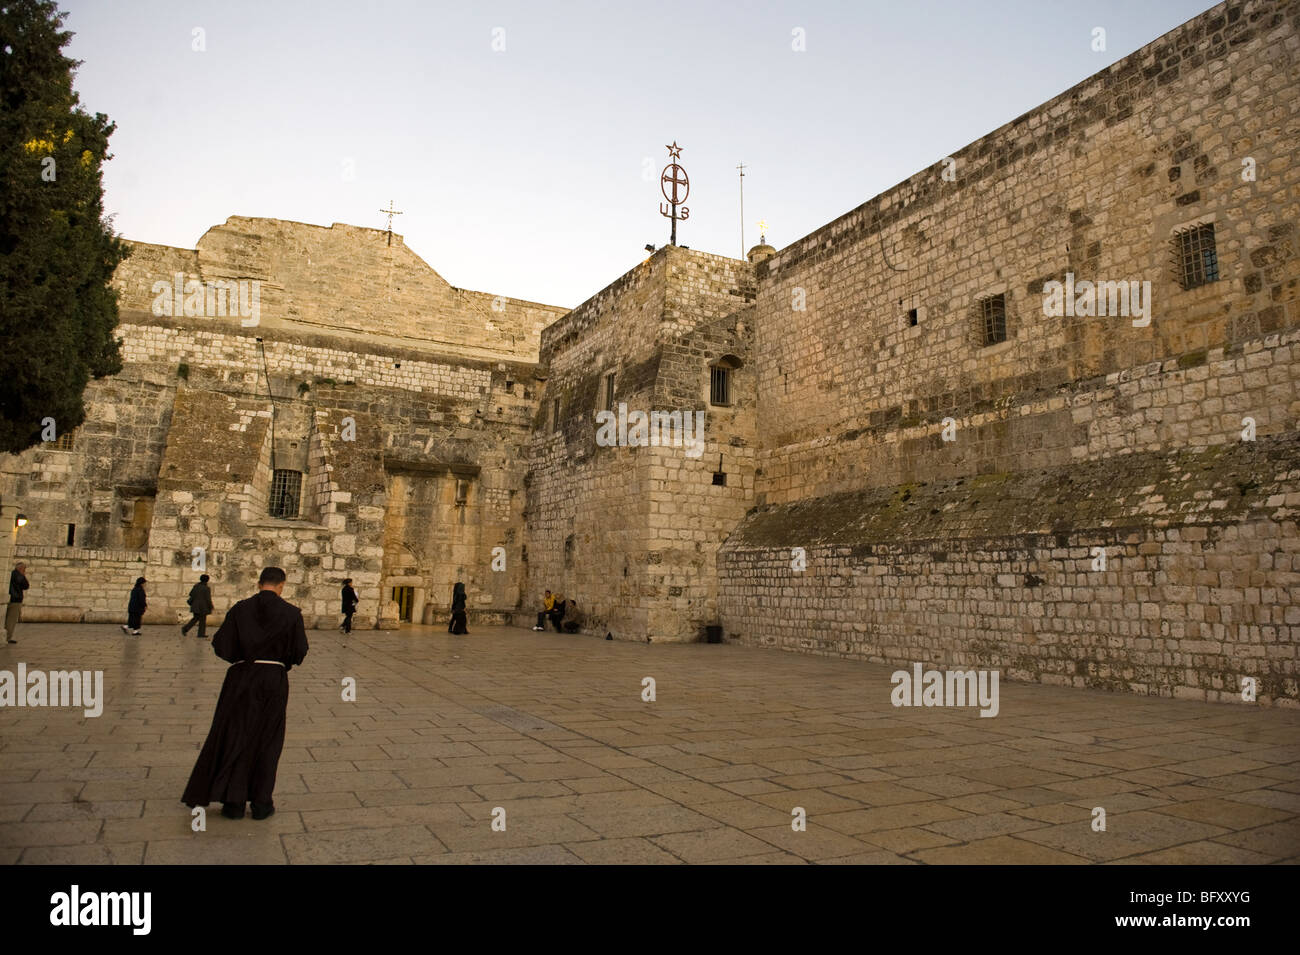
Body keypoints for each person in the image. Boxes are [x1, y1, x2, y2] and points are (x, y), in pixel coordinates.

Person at [182, 566, 308, 821]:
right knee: (268, 740)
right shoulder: (291, 613)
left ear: (259, 583)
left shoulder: (240, 609)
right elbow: (299, 650)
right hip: (273, 679)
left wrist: (243, 657)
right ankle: (261, 804)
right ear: (282, 585)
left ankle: (234, 802)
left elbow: (221, 645)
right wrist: (281, 662)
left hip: (241, 677)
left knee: (235, 734)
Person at [182, 574, 213, 639]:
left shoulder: (196, 586)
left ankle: (187, 629)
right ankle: (199, 633)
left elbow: (191, 594)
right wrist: (211, 606)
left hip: (195, 605)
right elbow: (208, 599)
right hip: (203, 607)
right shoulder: (206, 588)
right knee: (202, 620)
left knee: (195, 618)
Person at [6, 562, 29, 645]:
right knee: (11, 620)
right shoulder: (18, 575)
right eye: (24, 569)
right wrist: (23, 575)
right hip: (15, 600)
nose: (25, 571)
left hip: (8, 598)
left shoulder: (10, 573)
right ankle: (7, 638)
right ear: (21, 569)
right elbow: (26, 585)